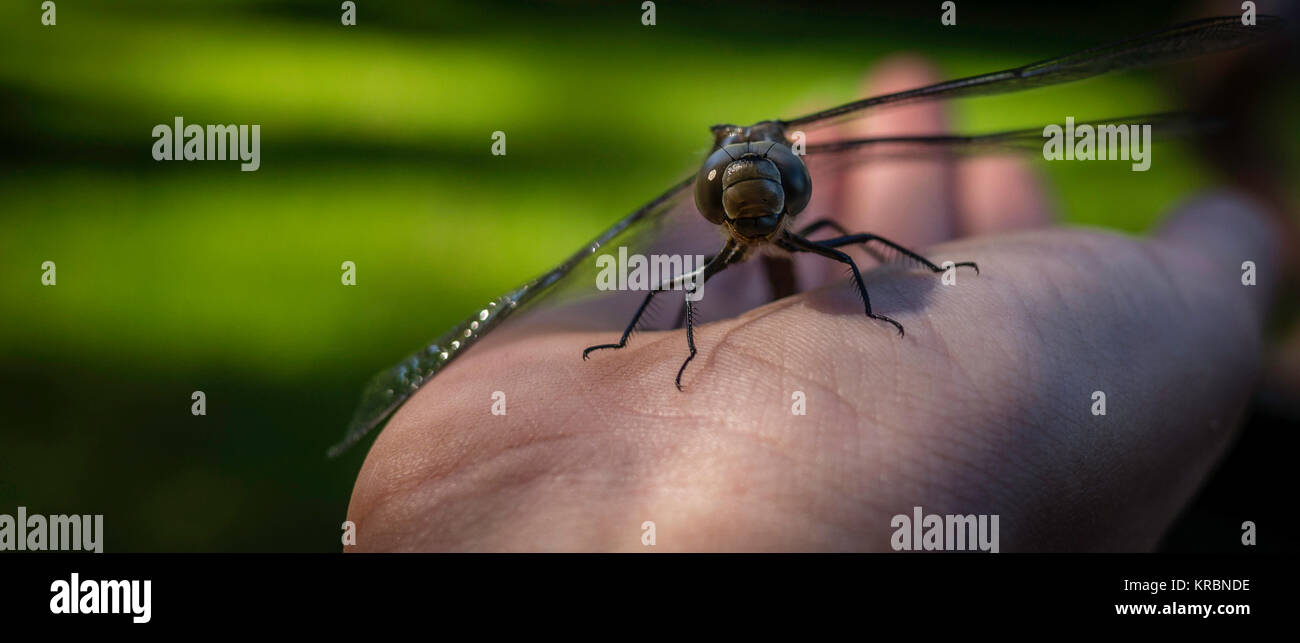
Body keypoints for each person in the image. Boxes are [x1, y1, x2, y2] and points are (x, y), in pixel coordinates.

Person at [344, 58, 1282, 552]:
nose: (751, 205)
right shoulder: (737, 217)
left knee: (869, 246)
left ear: (797, 183)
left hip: (833, 269)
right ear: (714, 195)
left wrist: (921, 286)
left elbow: (870, 246)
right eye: (732, 196)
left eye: (773, 188)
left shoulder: (807, 212)